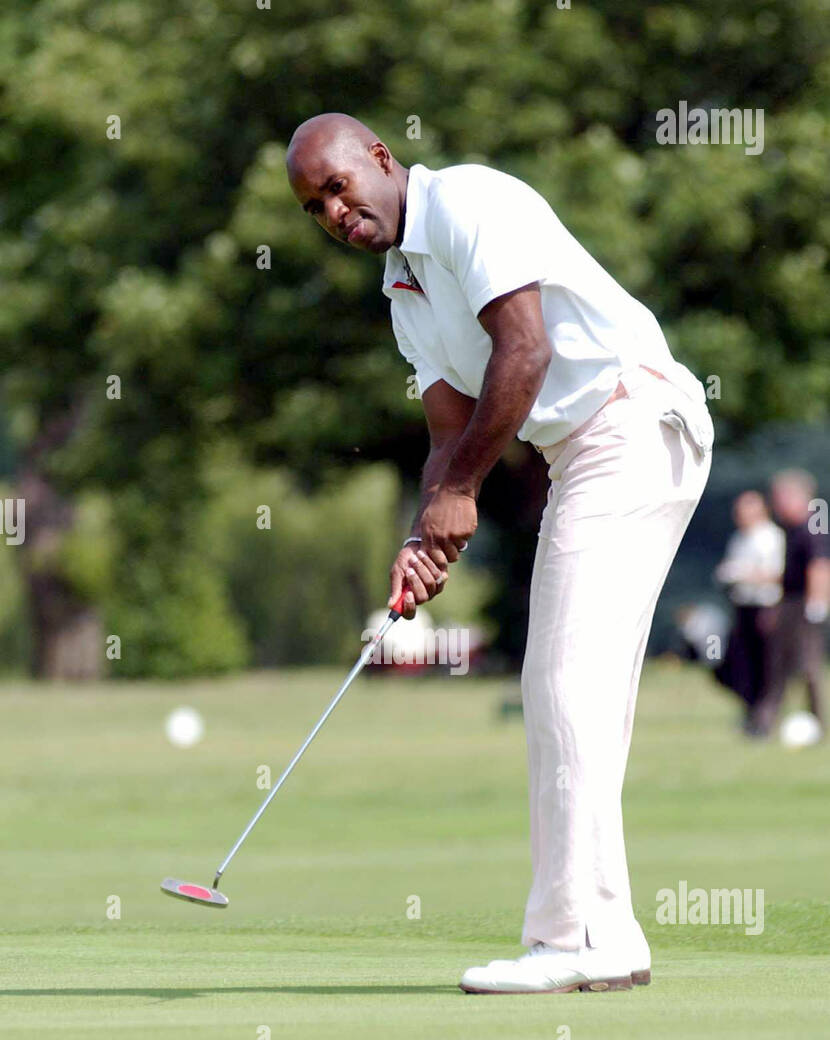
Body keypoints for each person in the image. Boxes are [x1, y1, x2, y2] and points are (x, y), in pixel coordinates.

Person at [286, 113, 713, 994]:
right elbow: (449, 430)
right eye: (313, 207)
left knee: (558, 683)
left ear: (380, 157)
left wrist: (460, 494)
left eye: (337, 186)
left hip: (635, 419)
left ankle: (569, 942)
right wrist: (423, 535)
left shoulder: (472, 201)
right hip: (591, 447)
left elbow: (525, 351)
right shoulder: (402, 287)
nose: (333, 212)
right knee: (580, 694)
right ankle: (610, 935)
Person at [750, 470, 830, 738]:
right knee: (777, 665)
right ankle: (764, 721)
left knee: (808, 666)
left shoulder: (813, 526)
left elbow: (819, 567)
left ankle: (816, 722)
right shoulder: (789, 530)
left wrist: (817, 604)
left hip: (803, 604)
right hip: (788, 602)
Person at [713, 491, 784, 724]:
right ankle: (750, 711)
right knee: (737, 665)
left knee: (765, 667)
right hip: (741, 605)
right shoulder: (739, 538)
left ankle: (763, 718)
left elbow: (777, 575)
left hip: (765, 606)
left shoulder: (771, 537)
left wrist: (743, 575)